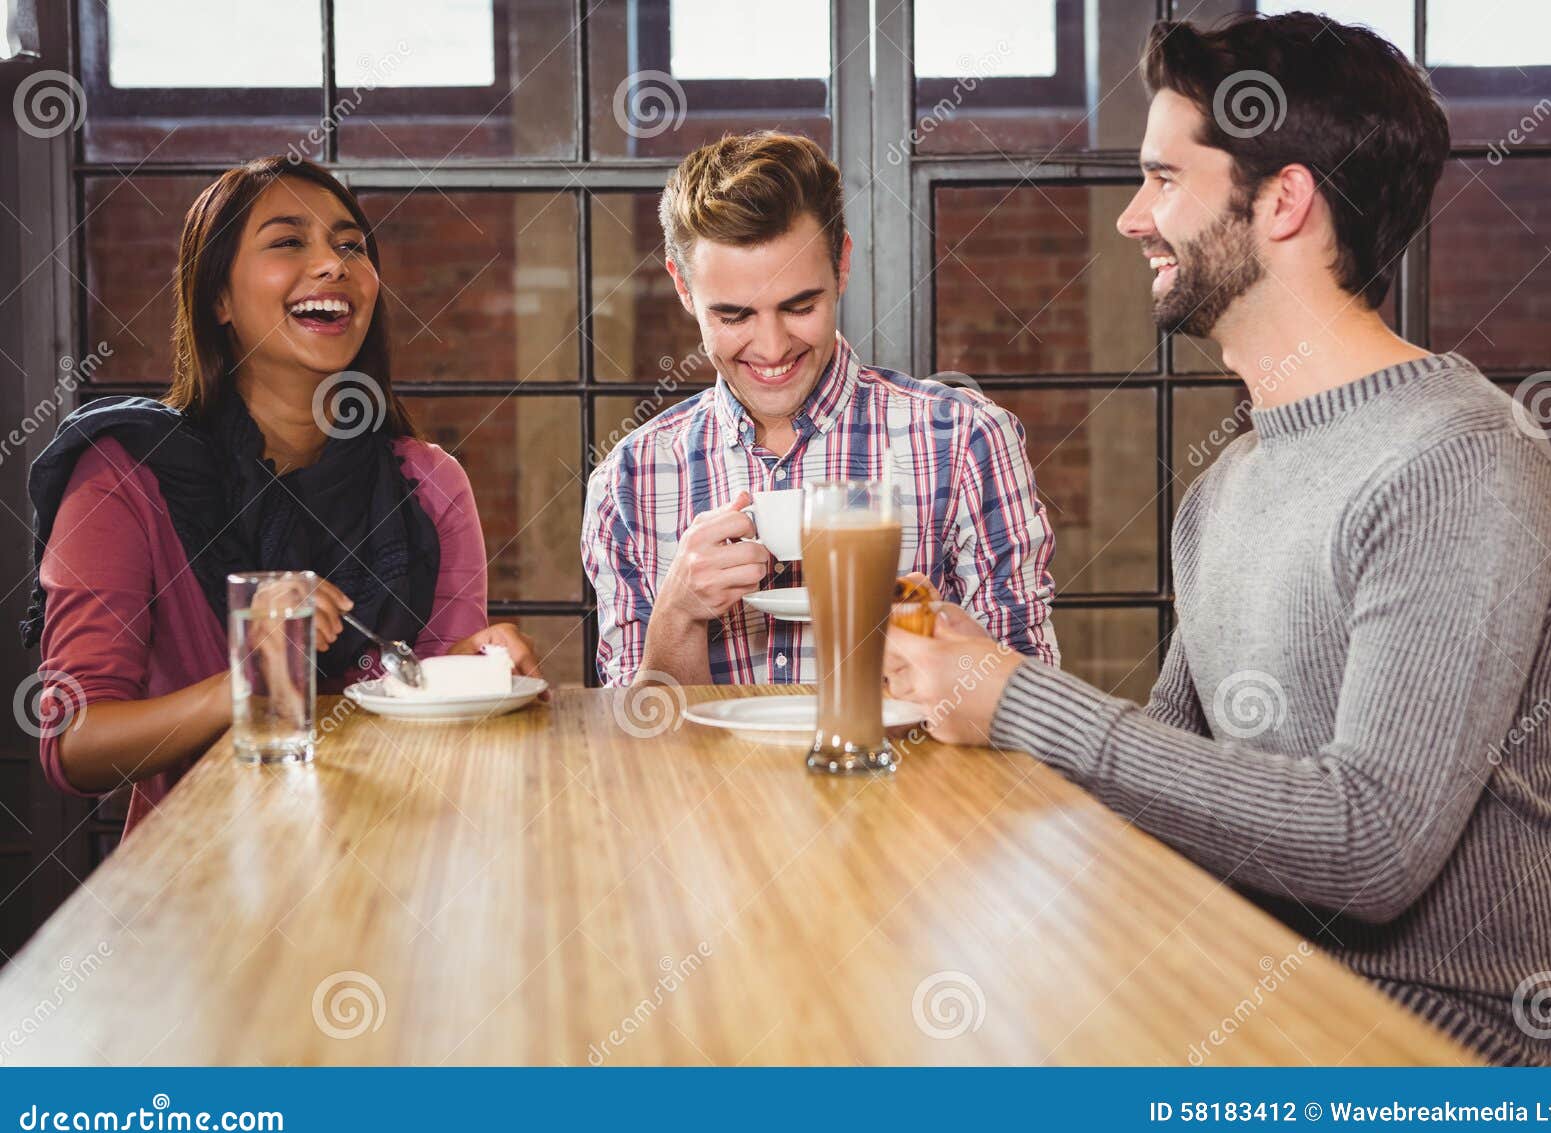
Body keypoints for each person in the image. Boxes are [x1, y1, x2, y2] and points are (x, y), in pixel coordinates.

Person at [884, 14, 1551, 1066]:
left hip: (1451, 1055)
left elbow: (1373, 845)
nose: (1133, 217)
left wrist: (1014, 695)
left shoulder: (1458, 460)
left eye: (1164, 179)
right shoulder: (1229, 484)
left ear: (1284, 201)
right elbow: (1154, 794)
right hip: (1249, 1005)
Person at [22, 156, 542, 836]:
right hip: (198, 885)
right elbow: (73, 743)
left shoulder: (430, 483)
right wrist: (249, 676)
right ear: (219, 299)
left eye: (351, 245)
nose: (333, 265)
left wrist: (480, 674)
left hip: (400, 858)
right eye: (288, 241)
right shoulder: (123, 476)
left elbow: (435, 711)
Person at [581, 131, 1059, 687]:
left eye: (800, 306)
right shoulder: (630, 478)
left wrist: (934, 645)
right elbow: (641, 749)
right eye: (734, 316)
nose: (772, 347)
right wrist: (678, 613)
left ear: (843, 266)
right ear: (683, 289)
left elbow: (1029, 709)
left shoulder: (965, 440)